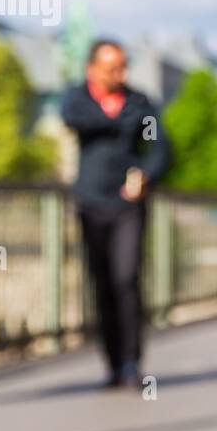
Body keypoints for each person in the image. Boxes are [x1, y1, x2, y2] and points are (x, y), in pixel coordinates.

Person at [62, 40, 171, 388]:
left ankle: (131, 362)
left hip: (128, 204)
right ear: (92, 69)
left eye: (123, 67)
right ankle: (110, 362)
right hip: (91, 202)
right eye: (111, 68)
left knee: (126, 279)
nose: (119, 74)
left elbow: (160, 147)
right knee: (102, 284)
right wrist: (115, 117)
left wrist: (146, 174)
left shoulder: (141, 104)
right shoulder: (78, 99)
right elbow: (75, 120)